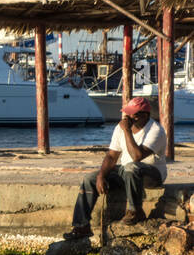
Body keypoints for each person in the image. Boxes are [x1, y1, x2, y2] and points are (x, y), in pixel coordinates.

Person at [65, 96, 166, 239]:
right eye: (127, 114)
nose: (127, 117)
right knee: (90, 179)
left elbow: (137, 156)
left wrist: (127, 131)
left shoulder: (156, 130)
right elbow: (112, 156)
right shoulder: (121, 128)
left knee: (132, 167)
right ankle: (81, 226)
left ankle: (135, 211)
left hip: (152, 174)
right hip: (127, 171)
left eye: (132, 115)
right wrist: (101, 176)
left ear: (144, 116)